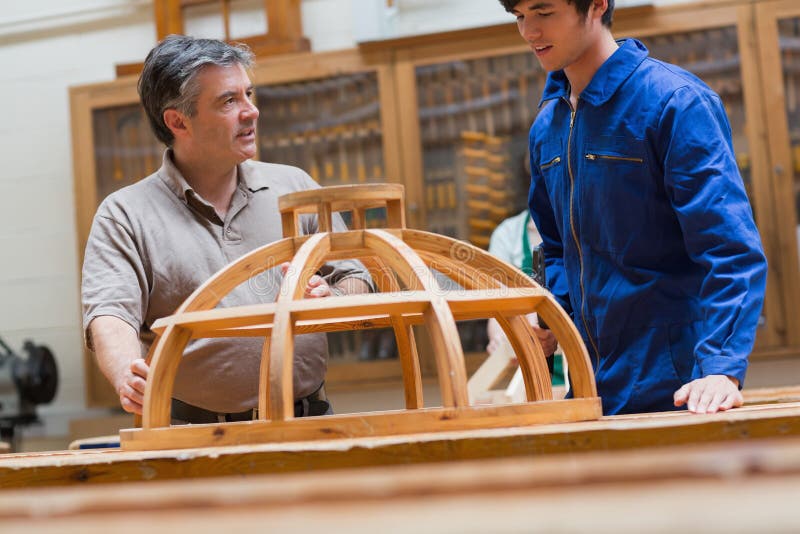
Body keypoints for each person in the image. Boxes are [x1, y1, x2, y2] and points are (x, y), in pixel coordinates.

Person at [81, 35, 372, 424]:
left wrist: (332, 296)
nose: (251, 111)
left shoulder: (294, 187)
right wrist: (126, 372)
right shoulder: (125, 215)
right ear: (177, 121)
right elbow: (111, 313)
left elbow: (356, 275)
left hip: (308, 420)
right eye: (228, 101)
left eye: (248, 94)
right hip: (193, 435)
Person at [499, 0, 768, 415]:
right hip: (590, 391)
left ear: (597, 5)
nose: (529, 32)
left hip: (683, 392)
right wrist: (551, 317)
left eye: (544, 12)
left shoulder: (675, 102)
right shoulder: (547, 125)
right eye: (519, 17)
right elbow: (556, 250)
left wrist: (720, 367)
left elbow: (731, 250)